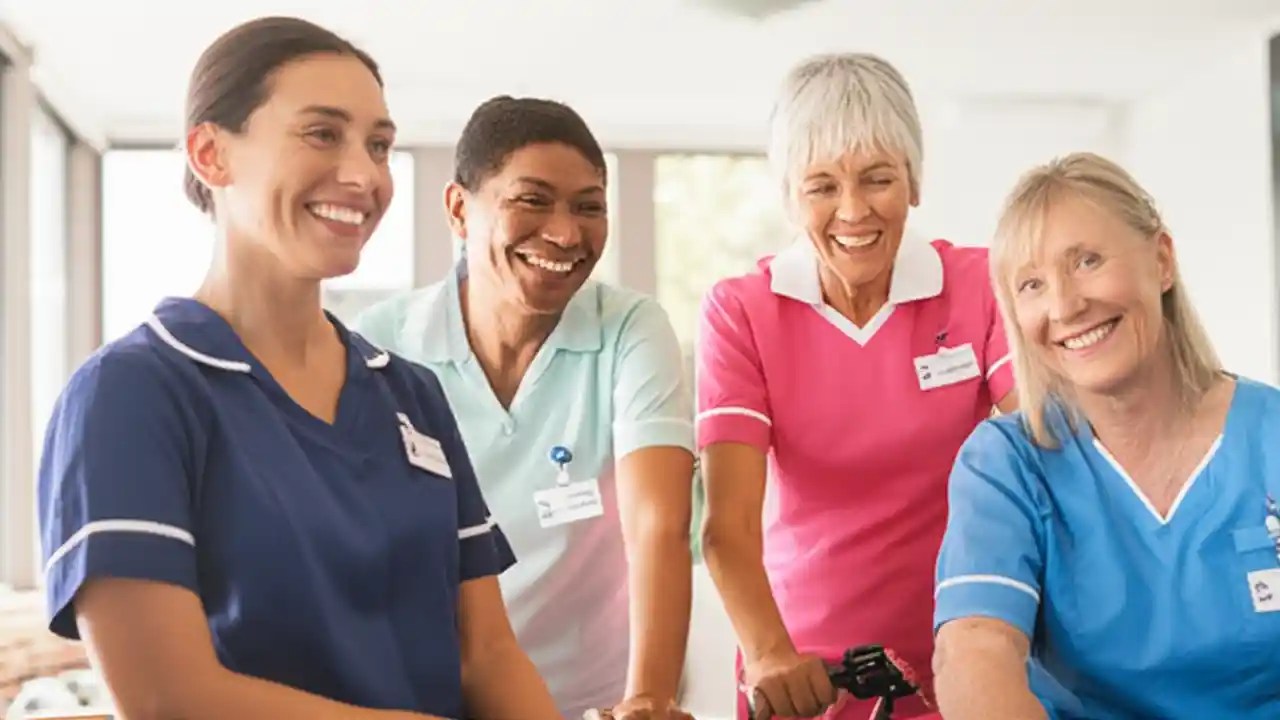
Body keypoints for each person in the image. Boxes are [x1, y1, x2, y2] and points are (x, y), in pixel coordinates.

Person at [36, 17, 560, 720]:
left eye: (378, 145)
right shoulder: (130, 393)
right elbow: (168, 698)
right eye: (322, 133)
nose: (365, 175)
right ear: (211, 154)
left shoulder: (409, 393)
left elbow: (487, 654)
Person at [353, 96, 697, 720]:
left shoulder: (629, 329)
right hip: (426, 698)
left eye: (588, 206)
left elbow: (657, 526)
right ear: (459, 209)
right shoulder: (381, 345)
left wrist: (648, 697)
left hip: (590, 704)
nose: (566, 234)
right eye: (532, 200)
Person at [696, 52, 1016, 720]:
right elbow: (727, 526)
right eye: (821, 186)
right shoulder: (742, 311)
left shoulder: (980, 285)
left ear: (914, 182)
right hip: (802, 672)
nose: (853, 211)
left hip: (967, 657)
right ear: (790, 196)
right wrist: (769, 656)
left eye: (878, 179)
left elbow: (1045, 454)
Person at [932, 152, 1280, 719]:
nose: (1065, 306)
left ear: (1161, 261)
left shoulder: (1269, 437)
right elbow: (974, 650)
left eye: (1087, 261)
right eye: (1032, 285)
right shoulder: (1007, 464)